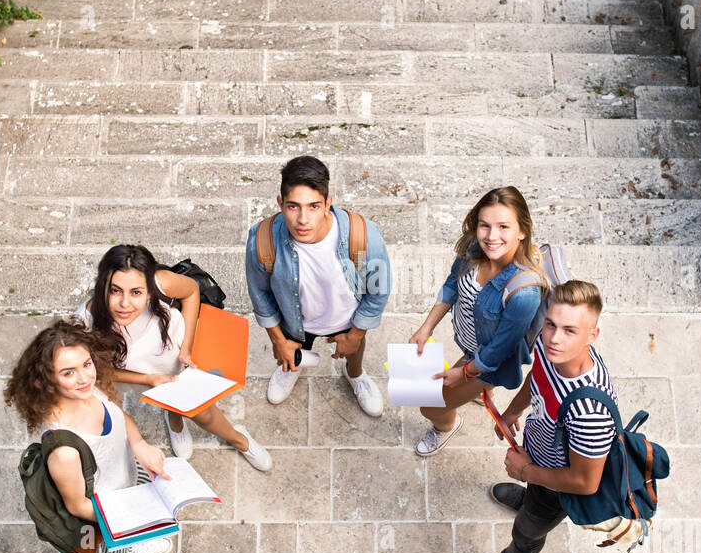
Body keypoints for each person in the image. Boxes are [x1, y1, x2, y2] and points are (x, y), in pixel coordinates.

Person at [450, 281, 617, 553]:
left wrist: (524, 471)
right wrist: (512, 412)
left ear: (591, 336)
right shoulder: (548, 348)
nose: (554, 338)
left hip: (559, 487)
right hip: (539, 455)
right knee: (532, 500)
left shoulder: (589, 411)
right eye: (550, 324)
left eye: (570, 330)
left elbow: (585, 482)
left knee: (527, 532)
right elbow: (537, 378)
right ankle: (528, 498)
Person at [78, 244, 272, 471]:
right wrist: (148, 379)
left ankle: (239, 439)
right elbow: (94, 370)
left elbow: (191, 291)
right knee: (172, 400)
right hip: (143, 375)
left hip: (178, 354)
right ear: (102, 286)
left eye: (136, 292)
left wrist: (186, 349)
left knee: (203, 411)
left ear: (148, 288)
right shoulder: (84, 323)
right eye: (115, 290)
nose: (125, 304)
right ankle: (175, 419)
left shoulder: (161, 282)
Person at [4, 320, 174, 553]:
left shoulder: (89, 390)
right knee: (118, 542)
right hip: (108, 505)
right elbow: (77, 507)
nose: (84, 378)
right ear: (48, 378)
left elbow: (118, 417)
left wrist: (140, 446)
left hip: (123, 474)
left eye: (86, 364)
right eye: (68, 372)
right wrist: (126, 516)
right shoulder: (64, 452)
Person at [245, 156, 390, 416]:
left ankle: (355, 374)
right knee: (292, 352)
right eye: (293, 206)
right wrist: (278, 341)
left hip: (348, 319)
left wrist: (355, 335)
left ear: (328, 204)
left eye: (313, 206)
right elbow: (261, 295)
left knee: (355, 352)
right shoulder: (261, 239)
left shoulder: (365, 235)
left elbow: (377, 292)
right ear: (280, 203)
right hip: (295, 322)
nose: (303, 219)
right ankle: (291, 367)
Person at [408, 186, 546, 457]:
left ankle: (446, 425)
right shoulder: (474, 248)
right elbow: (451, 286)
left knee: (430, 406)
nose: (491, 237)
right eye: (485, 225)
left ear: (522, 231)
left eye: (504, 226)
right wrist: (427, 327)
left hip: (487, 363)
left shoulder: (524, 294)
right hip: (472, 345)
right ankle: (483, 391)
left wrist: (463, 373)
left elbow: (497, 352)